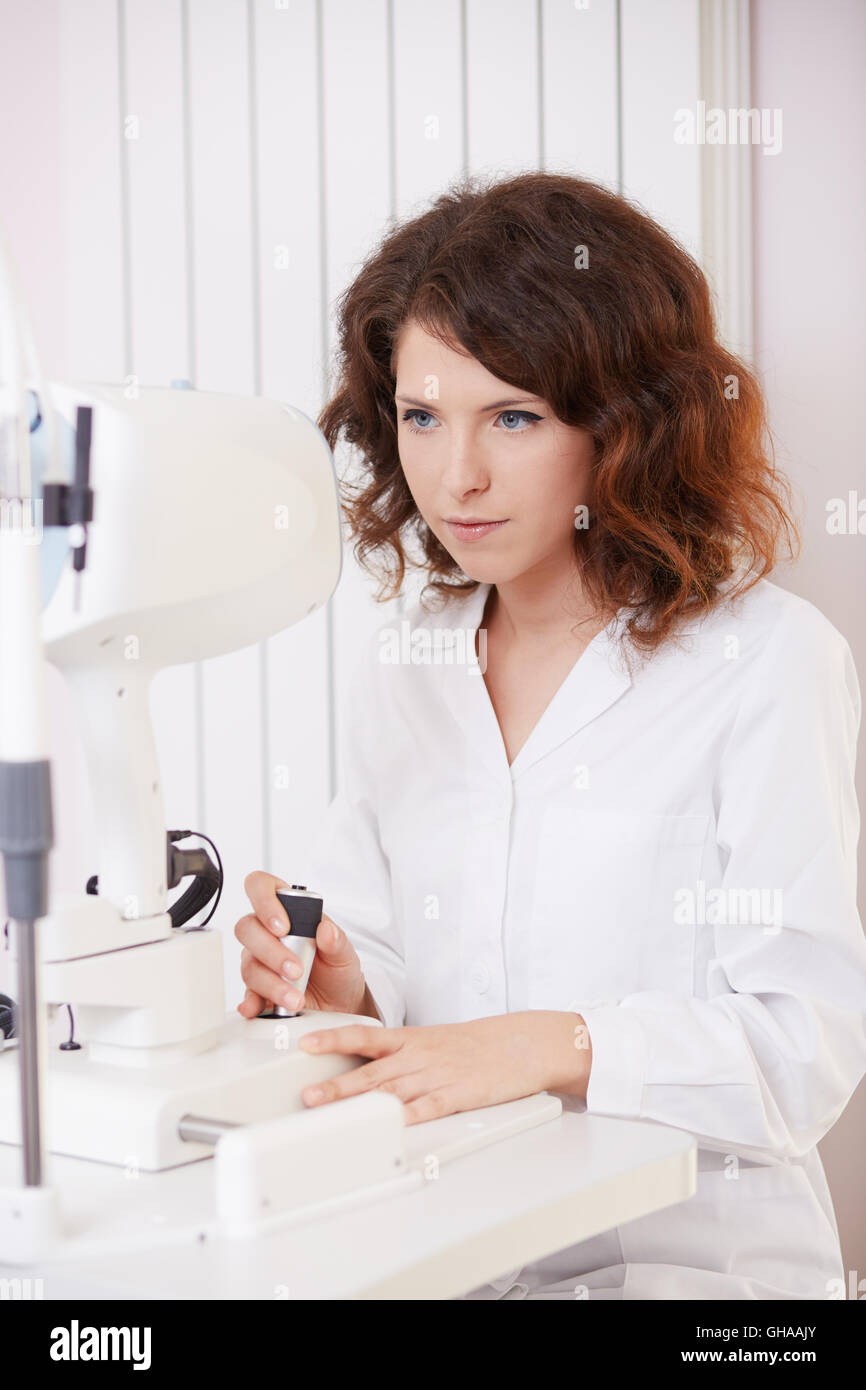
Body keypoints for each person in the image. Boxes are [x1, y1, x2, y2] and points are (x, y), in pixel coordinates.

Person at [233, 171, 866, 1299]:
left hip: (701, 1276)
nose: (455, 474)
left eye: (512, 416)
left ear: (622, 425)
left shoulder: (767, 662)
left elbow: (800, 1044)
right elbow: (385, 952)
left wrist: (544, 1041)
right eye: (421, 416)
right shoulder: (410, 662)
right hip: (453, 1254)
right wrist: (342, 988)